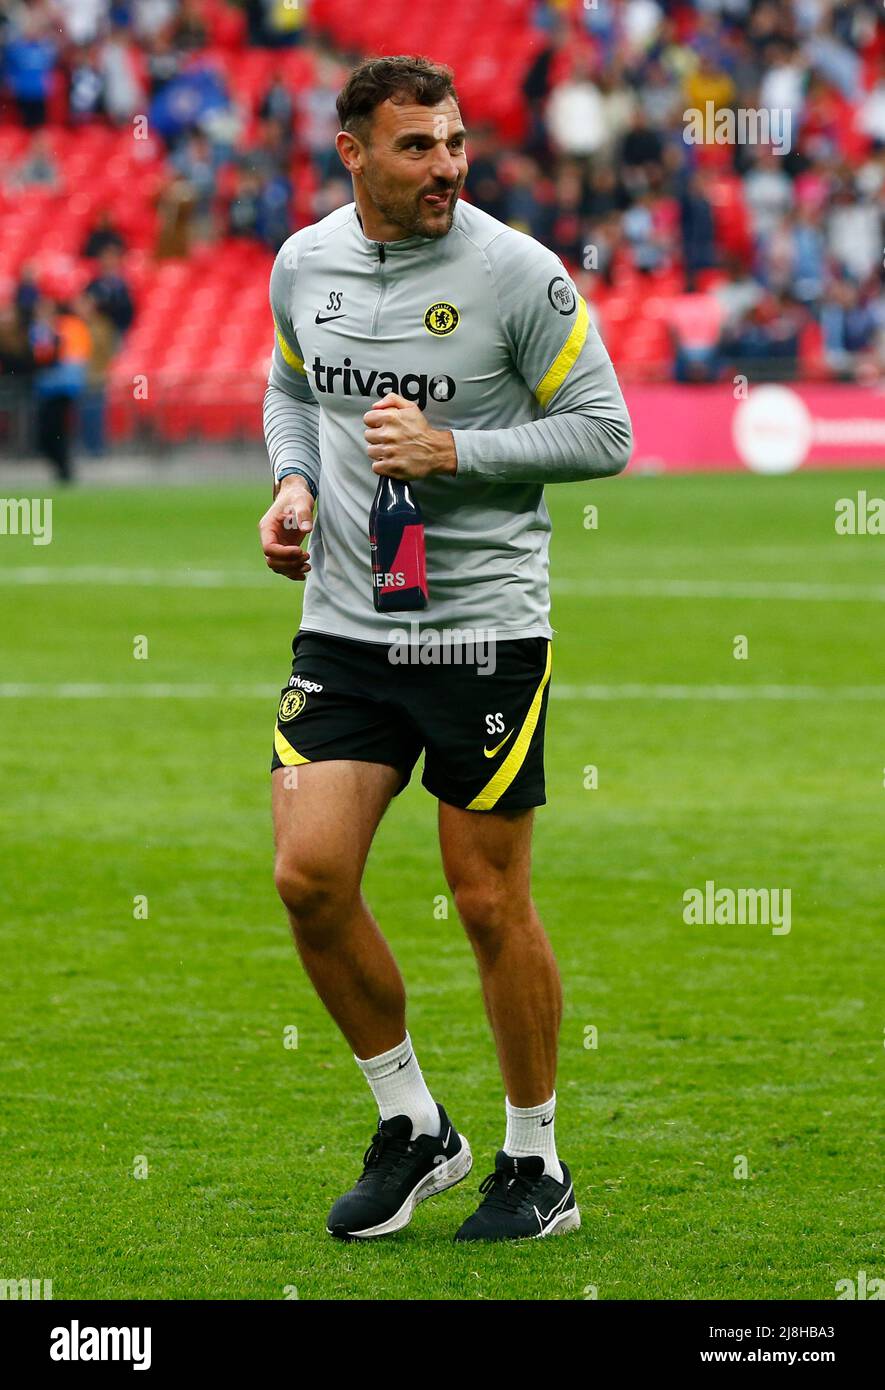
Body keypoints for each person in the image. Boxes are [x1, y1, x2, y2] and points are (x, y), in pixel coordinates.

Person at [259, 54, 632, 1244]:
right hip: (347, 623)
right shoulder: (302, 262)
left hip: (481, 629)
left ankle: (539, 1162)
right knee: (309, 877)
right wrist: (293, 481)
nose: (447, 168)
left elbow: (606, 432)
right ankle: (415, 1123)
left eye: (456, 143)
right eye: (417, 146)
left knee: (485, 901)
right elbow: (289, 387)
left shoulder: (521, 273)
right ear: (353, 152)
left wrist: (456, 453)